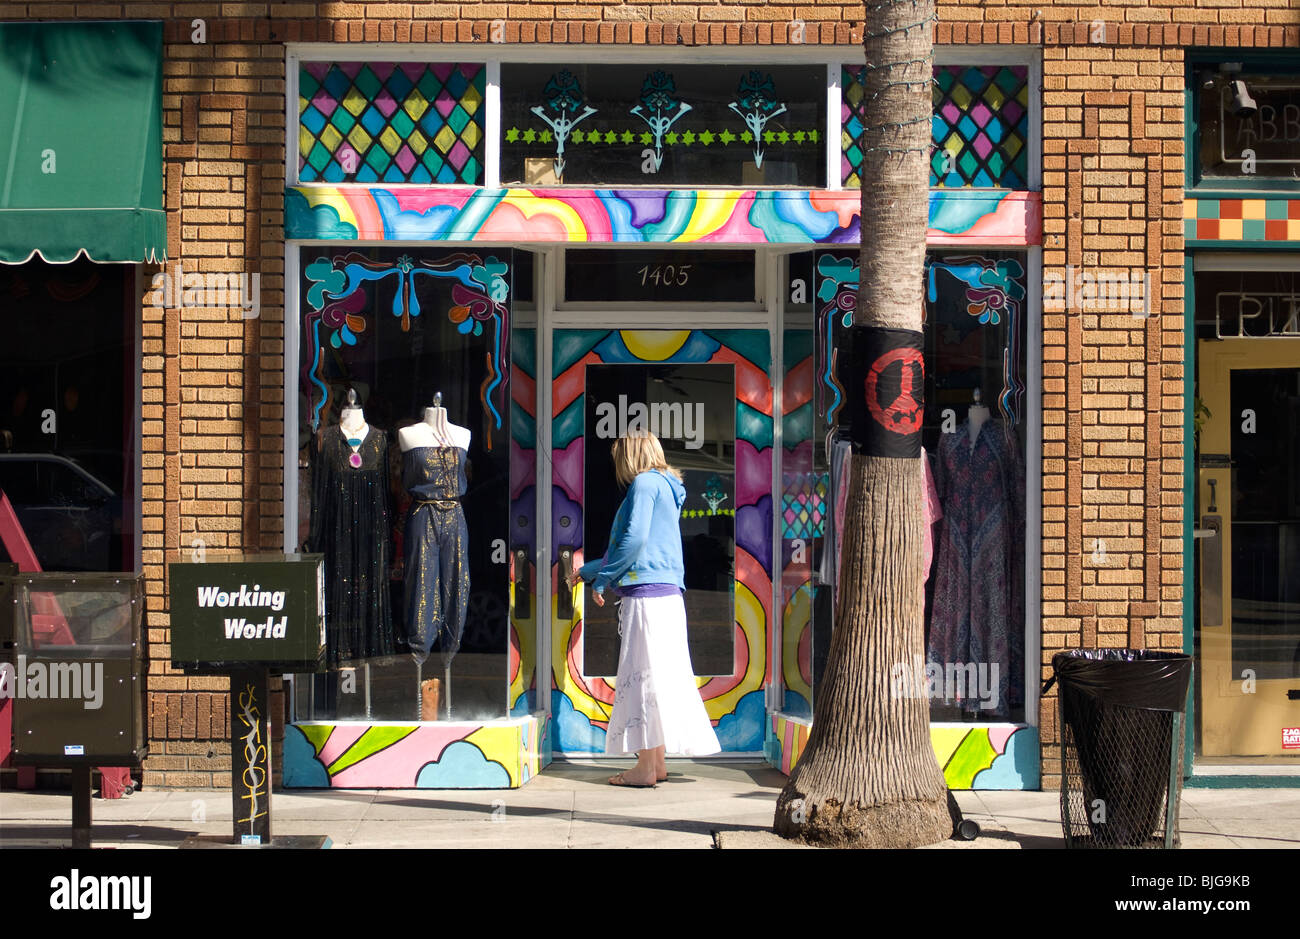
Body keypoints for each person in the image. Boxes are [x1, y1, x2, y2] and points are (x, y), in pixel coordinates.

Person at [568, 431, 720, 787]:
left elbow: (633, 541)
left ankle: (644, 769)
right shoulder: (666, 487)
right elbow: (645, 545)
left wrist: (603, 580)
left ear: (632, 456)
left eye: (620, 458)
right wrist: (590, 572)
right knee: (660, 677)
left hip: (646, 597)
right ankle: (658, 763)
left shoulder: (644, 484)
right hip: (667, 595)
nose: (620, 468)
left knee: (643, 678)